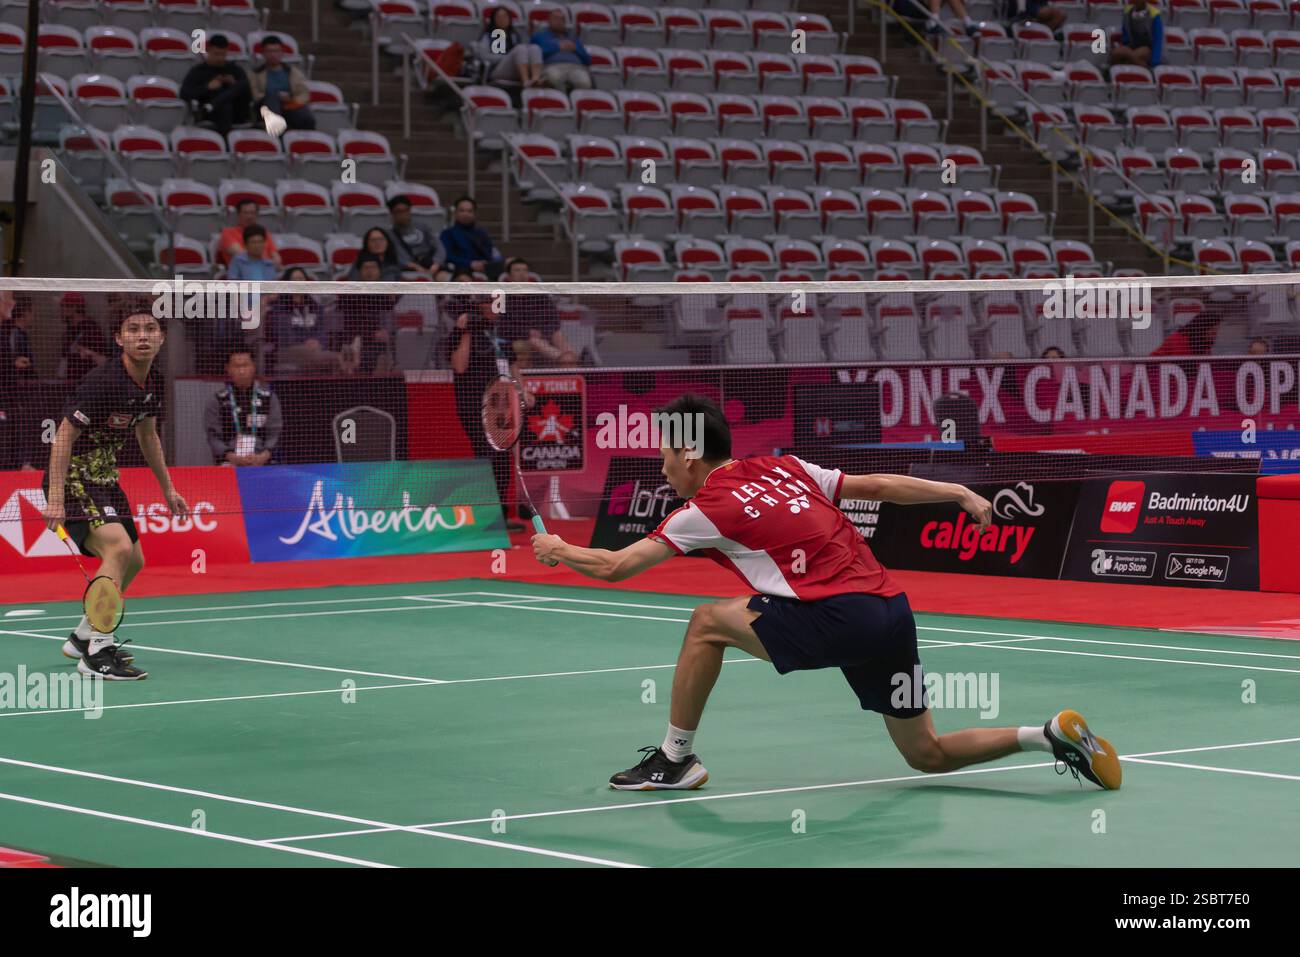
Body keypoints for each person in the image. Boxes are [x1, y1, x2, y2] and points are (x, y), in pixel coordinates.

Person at [531, 394, 1122, 792]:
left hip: (837, 618)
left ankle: (676, 757)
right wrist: (957, 492)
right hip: (892, 610)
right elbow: (881, 486)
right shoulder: (783, 467)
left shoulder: (702, 508)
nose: (661, 468)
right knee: (926, 753)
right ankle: (1045, 735)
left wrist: (559, 551)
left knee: (706, 621)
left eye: (663, 454)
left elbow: (616, 566)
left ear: (688, 453)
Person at [42, 311, 190, 680]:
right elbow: (62, 436)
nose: (143, 336)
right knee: (118, 549)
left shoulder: (152, 382)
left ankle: (82, 636)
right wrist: (56, 497)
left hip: (105, 478)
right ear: (119, 339)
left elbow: (147, 436)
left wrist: (168, 488)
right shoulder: (103, 382)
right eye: (133, 330)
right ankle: (97, 653)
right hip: (75, 476)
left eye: (151, 329)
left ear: (162, 339)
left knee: (135, 559)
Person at [444, 288, 530, 532]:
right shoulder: (459, 333)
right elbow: (460, 367)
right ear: (480, 306)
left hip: (502, 407)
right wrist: (465, 331)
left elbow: (512, 365)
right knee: (487, 457)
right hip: (474, 406)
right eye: (492, 303)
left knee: (503, 458)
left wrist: (523, 393)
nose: (497, 308)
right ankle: (486, 516)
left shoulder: (501, 332)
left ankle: (500, 517)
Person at [204, 348, 283, 466]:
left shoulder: (269, 398)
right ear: (228, 369)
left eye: (245, 365)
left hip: (263, 460)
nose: (241, 371)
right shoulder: (218, 400)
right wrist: (230, 456)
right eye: (236, 366)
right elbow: (213, 436)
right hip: (229, 462)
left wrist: (263, 456)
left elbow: (275, 432)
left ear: (253, 367)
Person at [499, 257, 576, 367]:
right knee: (535, 340)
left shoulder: (539, 295)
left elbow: (554, 319)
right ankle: (565, 361)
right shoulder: (502, 298)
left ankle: (569, 359)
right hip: (518, 337)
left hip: (542, 333)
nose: (522, 274)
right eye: (517, 270)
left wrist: (543, 331)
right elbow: (502, 326)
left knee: (558, 334)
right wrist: (527, 332)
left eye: (525, 270)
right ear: (509, 277)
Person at [266, 267, 342, 374]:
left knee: (324, 357)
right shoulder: (279, 307)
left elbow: (322, 330)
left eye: (301, 278)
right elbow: (282, 335)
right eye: (294, 279)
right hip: (287, 350)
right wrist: (305, 342)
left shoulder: (315, 306)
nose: (298, 282)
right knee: (331, 358)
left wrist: (318, 341)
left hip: (315, 349)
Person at [180, 33, 251, 135]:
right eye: (216, 54)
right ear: (208, 50)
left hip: (237, 111)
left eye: (223, 54)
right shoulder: (198, 71)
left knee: (242, 84)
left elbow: (248, 93)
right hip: (211, 114)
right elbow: (184, 93)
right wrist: (207, 88)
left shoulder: (235, 69)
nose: (220, 58)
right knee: (225, 106)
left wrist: (233, 84)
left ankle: (212, 105)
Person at [337, 253, 396, 374]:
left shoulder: (386, 296)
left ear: (379, 271)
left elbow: (391, 322)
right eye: (366, 267)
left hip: (381, 343)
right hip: (358, 341)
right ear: (359, 271)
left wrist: (386, 332)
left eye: (373, 267)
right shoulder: (350, 295)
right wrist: (372, 334)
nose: (370, 271)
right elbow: (348, 326)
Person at [249, 34, 315, 131]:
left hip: (288, 106)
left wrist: (290, 99)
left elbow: (304, 94)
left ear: (281, 53)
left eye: (276, 51)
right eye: (269, 51)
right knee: (272, 99)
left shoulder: (293, 73)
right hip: (265, 107)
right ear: (263, 53)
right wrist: (275, 97)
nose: (273, 55)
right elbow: (254, 95)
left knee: (305, 117)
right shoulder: (255, 74)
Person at [475, 6, 543, 88]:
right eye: (499, 16)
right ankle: (526, 82)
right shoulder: (488, 36)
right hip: (498, 69)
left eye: (505, 16)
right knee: (519, 49)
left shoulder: (514, 35)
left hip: (517, 68)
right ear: (493, 19)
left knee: (535, 48)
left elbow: (525, 51)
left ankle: (535, 79)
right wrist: (507, 56)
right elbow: (484, 56)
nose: (502, 19)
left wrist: (528, 33)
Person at [439, 196, 505, 277]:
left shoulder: (481, 233)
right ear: (455, 213)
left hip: (484, 268)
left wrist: (485, 263)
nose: (466, 214)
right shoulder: (448, 234)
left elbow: (492, 252)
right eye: (462, 211)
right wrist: (470, 264)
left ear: (474, 214)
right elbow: (447, 256)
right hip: (460, 269)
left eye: (469, 211)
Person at [531, 9, 593, 91]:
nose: (559, 21)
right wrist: (557, 47)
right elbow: (533, 54)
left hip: (576, 67)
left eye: (562, 19)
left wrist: (575, 49)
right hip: (552, 66)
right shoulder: (540, 37)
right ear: (549, 21)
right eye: (556, 18)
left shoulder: (573, 39)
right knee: (555, 78)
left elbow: (587, 59)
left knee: (584, 83)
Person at [386, 195, 448, 275]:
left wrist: (436, 263)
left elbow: (439, 247)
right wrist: (414, 267)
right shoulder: (389, 234)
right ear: (392, 214)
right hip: (407, 268)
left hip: (430, 263)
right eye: (399, 211)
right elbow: (398, 256)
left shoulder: (423, 227)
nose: (403, 215)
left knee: (444, 277)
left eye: (406, 210)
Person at [59, 293, 109, 383]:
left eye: (65, 306)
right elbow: (65, 358)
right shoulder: (68, 332)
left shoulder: (91, 329)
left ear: (75, 307)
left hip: (90, 382)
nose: (62, 310)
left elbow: (104, 359)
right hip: (71, 383)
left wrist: (89, 353)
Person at [218, 200, 279, 268]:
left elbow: (276, 259)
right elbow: (245, 257)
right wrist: (269, 264)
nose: (249, 216)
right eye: (245, 213)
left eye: (252, 213)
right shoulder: (228, 233)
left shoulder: (264, 233)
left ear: (257, 215)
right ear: (238, 214)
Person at [346, 227, 412, 281]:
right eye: (373, 240)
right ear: (367, 244)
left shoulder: (394, 264)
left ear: (387, 242)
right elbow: (353, 282)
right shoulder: (360, 261)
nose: (377, 243)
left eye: (381, 239)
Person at [1110, 2, 1163, 67]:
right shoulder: (1128, 11)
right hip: (1131, 45)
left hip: (1148, 47)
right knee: (1116, 53)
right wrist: (1125, 46)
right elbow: (1125, 34)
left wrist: (1154, 62)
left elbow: (1157, 41)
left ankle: (1148, 70)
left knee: (1136, 55)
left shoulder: (1154, 14)